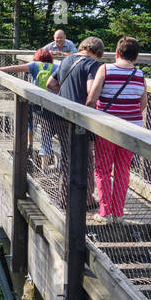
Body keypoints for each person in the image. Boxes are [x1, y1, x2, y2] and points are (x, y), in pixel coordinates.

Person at [86, 36, 147, 220]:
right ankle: (118, 213)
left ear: (117, 53)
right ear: (136, 56)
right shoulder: (140, 75)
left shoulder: (105, 69)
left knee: (103, 169)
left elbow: (92, 99)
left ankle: (105, 212)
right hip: (131, 129)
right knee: (122, 170)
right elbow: (142, 104)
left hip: (107, 128)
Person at [53, 37, 104, 211]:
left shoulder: (66, 60)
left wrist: (65, 98)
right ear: (97, 52)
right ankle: (87, 199)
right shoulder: (92, 64)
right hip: (81, 118)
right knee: (86, 158)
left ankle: (63, 198)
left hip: (61, 115)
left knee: (66, 157)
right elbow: (91, 90)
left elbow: (51, 83)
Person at [2, 56, 60, 170]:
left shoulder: (34, 65)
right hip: (50, 105)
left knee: (30, 125)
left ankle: (30, 145)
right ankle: (44, 166)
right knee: (47, 134)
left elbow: (16, 68)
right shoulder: (56, 67)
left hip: (34, 102)